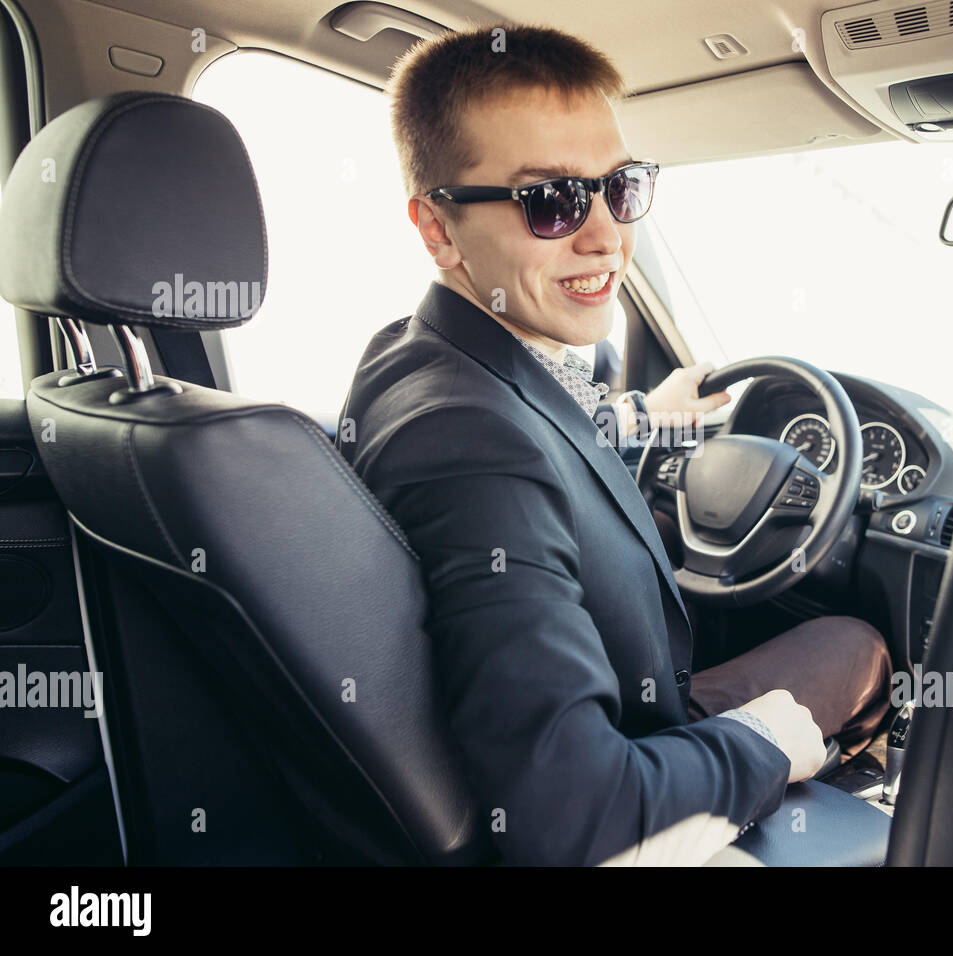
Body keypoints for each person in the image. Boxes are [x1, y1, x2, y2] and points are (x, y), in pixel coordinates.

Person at [336, 24, 892, 866]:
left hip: (623, 708)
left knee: (845, 644)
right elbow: (568, 813)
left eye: (620, 189)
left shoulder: (418, 355)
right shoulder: (472, 448)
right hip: (627, 755)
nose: (605, 237)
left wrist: (644, 417)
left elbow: (549, 421)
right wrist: (776, 742)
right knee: (863, 647)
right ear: (439, 229)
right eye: (551, 201)